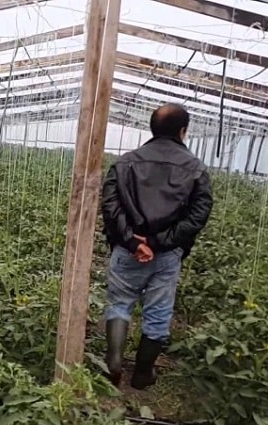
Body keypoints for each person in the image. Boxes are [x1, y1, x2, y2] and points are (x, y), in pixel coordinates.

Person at [100, 103, 213, 390]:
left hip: (127, 251)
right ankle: (142, 374)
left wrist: (133, 241)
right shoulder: (196, 169)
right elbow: (198, 214)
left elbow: (111, 207)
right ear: (183, 131)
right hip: (167, 254)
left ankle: (113, 364)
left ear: (152, 128)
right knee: (158, 311)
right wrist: (160, 242)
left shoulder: (124, 163)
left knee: (120, 303)